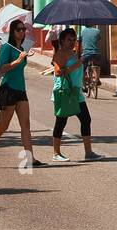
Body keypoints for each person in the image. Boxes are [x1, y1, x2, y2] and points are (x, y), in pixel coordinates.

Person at [0, 19, 44, 168]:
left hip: (21, 90)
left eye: (23, 29)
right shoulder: (6, 48)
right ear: (12, 32)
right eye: (18, 29)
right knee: (3, 126)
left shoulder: (20, 48)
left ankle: (30, 158)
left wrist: (25, 56)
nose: (22, 32)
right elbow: (2, 68)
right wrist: (18, 60)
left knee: (26, 125)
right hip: (8, 89)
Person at [43, 28, 102, 162]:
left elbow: (77, 72)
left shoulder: (74, 54)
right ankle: (56, 153)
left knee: (86, 119)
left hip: (75, 92)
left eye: (74, 40)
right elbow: (58, 72)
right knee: (61, 121)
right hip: (64, 91)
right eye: (69, 40)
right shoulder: (60, 54)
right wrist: (76, 65)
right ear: (62, 41)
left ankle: (88, 152)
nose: (72, 42)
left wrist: (83, 77)